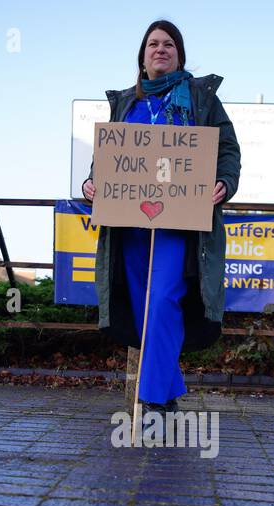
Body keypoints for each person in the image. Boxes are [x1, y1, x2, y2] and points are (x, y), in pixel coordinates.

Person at [80, 19, 240, 411]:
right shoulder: (126, 103)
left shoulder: (201, 99)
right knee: (141, 308)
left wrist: (224, 181)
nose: (160, 49)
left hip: (179, 226)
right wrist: (91, 183)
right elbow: (106, 160)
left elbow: (228, 150)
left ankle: (151, 403)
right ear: (143, 56)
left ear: (179, 54)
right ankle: (168, 396)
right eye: (153, 43)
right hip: (129, 226)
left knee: (164, 299)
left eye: (169, 44)